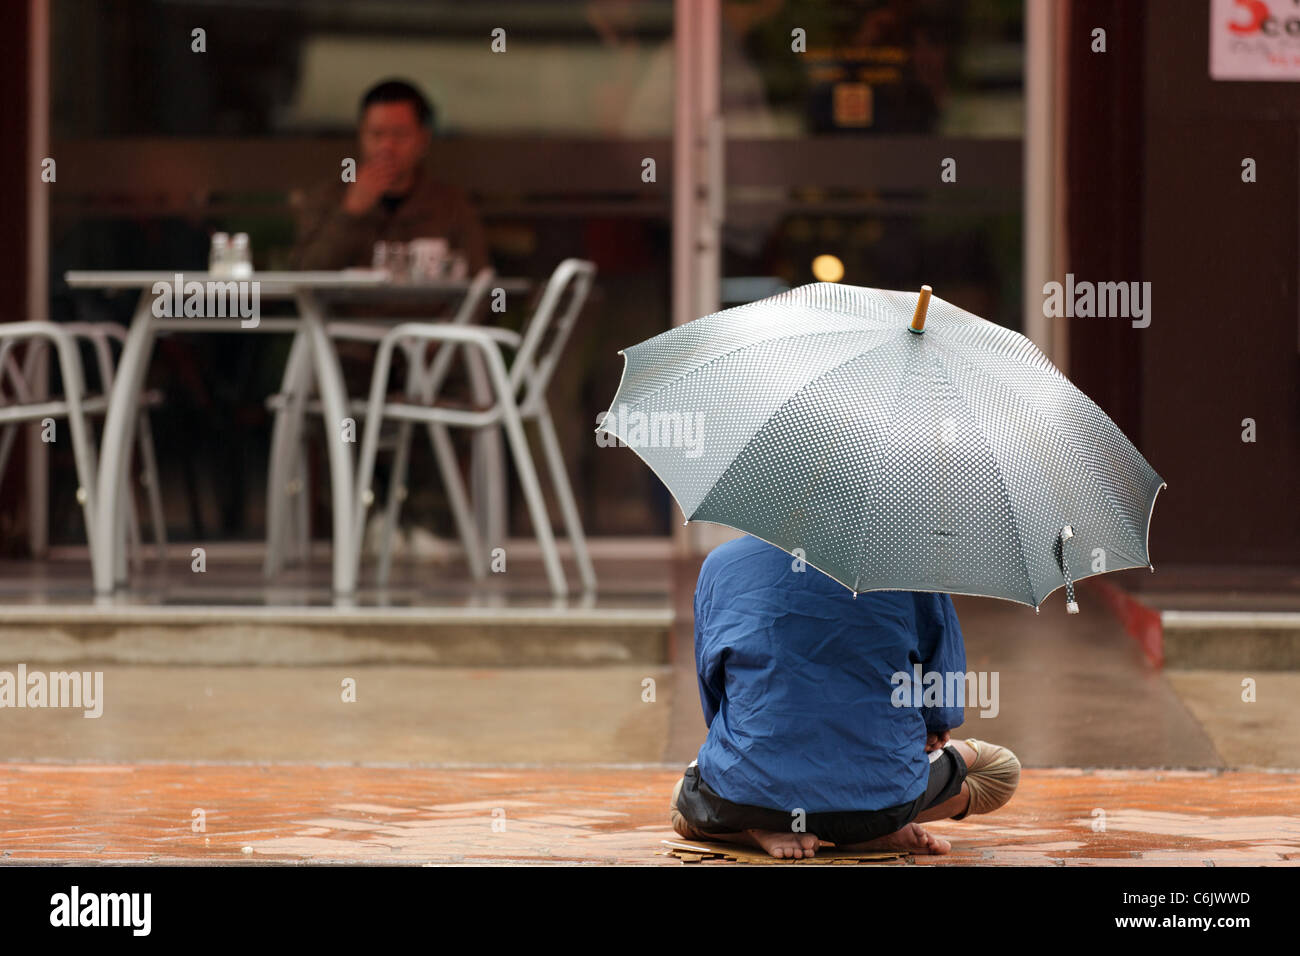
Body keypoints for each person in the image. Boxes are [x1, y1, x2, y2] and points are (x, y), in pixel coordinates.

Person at [670, 534, 1021, 859]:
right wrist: (934, 724)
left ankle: (753, 830)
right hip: (879, 803)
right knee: (999, 770)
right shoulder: (908, 567)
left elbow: (713, 692)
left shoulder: (721, 564)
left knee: (681, 800)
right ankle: (870, 831)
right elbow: (943, 694)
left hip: (749, 797)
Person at [290, 79, 490, 274]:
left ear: (423, 139)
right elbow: (304, 274)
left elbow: (479, 283)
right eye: (376, 134)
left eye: (400, 135)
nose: (387, 147)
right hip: (346, 307)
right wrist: (350, 213)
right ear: (361, 135)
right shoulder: (328, 198)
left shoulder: (451, 205)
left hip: (430, 308)